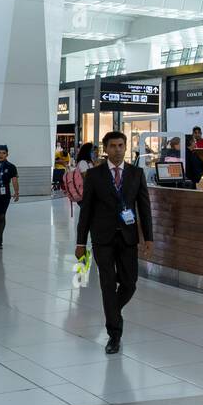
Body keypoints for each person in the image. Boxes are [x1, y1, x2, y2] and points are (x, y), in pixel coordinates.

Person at [75, 131, 153, 355]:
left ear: (126, 147)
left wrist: (149, 238)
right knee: (107, 284)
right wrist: (81, 242)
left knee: (130, 284)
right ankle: (114, 335)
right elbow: (86, 211)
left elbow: (144, 208)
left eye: (121, 145)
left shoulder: (136, 174)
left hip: (128, 238)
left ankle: (112, 311)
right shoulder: (94, 175)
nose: (118, 150)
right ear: (105, 149)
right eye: (113, 146)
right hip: (103, 239)